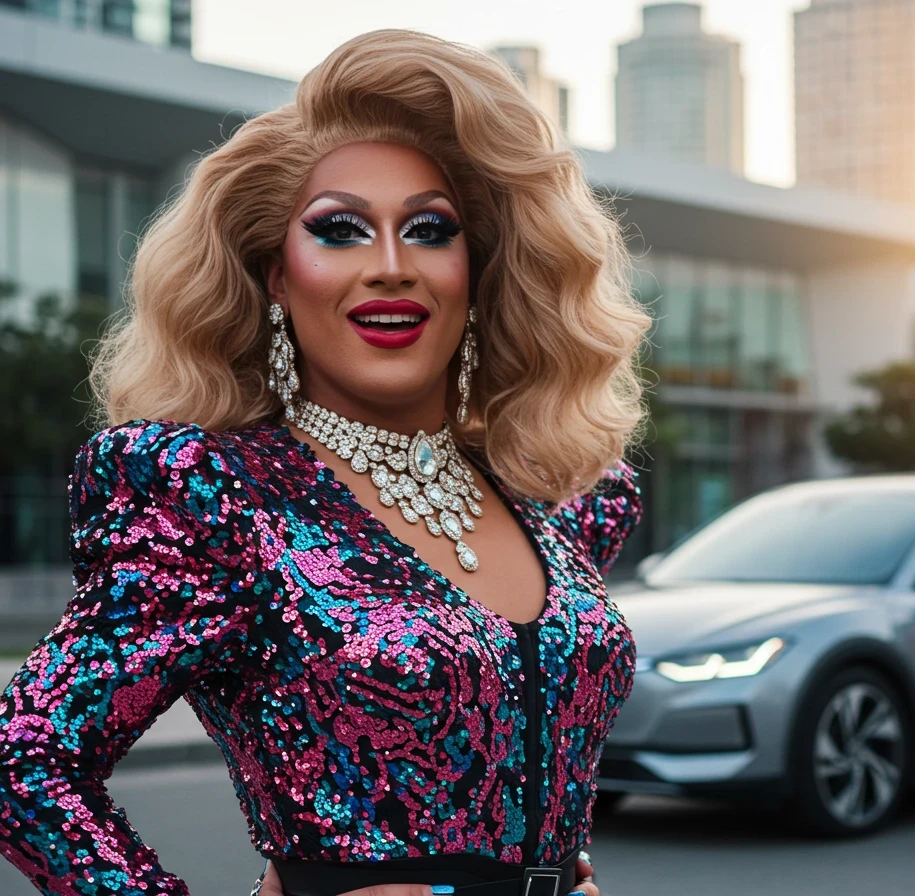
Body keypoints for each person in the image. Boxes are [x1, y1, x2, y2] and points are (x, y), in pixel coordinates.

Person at [0, 28, 650, 896]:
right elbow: (25, 762)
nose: (390, 267)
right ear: (276, 274)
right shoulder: (210, 491)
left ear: (480, 267)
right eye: (340, 230)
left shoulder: (561, 497)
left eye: (429, 229)